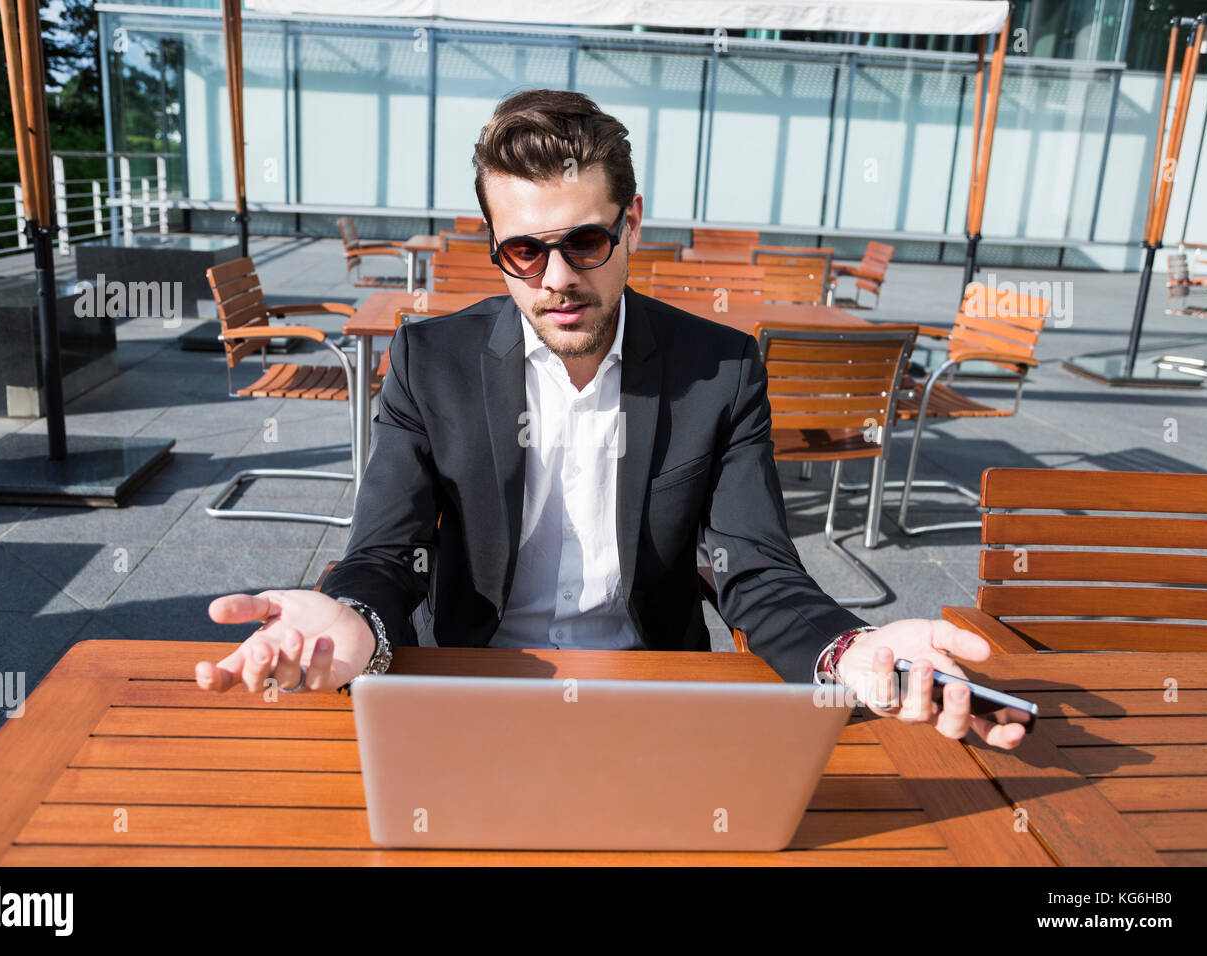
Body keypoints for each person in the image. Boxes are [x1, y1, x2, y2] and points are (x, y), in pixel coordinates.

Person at [197, 89, 1025, 751]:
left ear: (631, 223)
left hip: (653, 689)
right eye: (524, 251)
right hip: (468, 683)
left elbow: (756, 571)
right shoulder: (428, 361)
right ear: (496, 246)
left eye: (585, 242)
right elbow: (387, 552)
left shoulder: (722, 369)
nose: (556, 278)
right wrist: (354, 617)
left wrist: (851, 648)